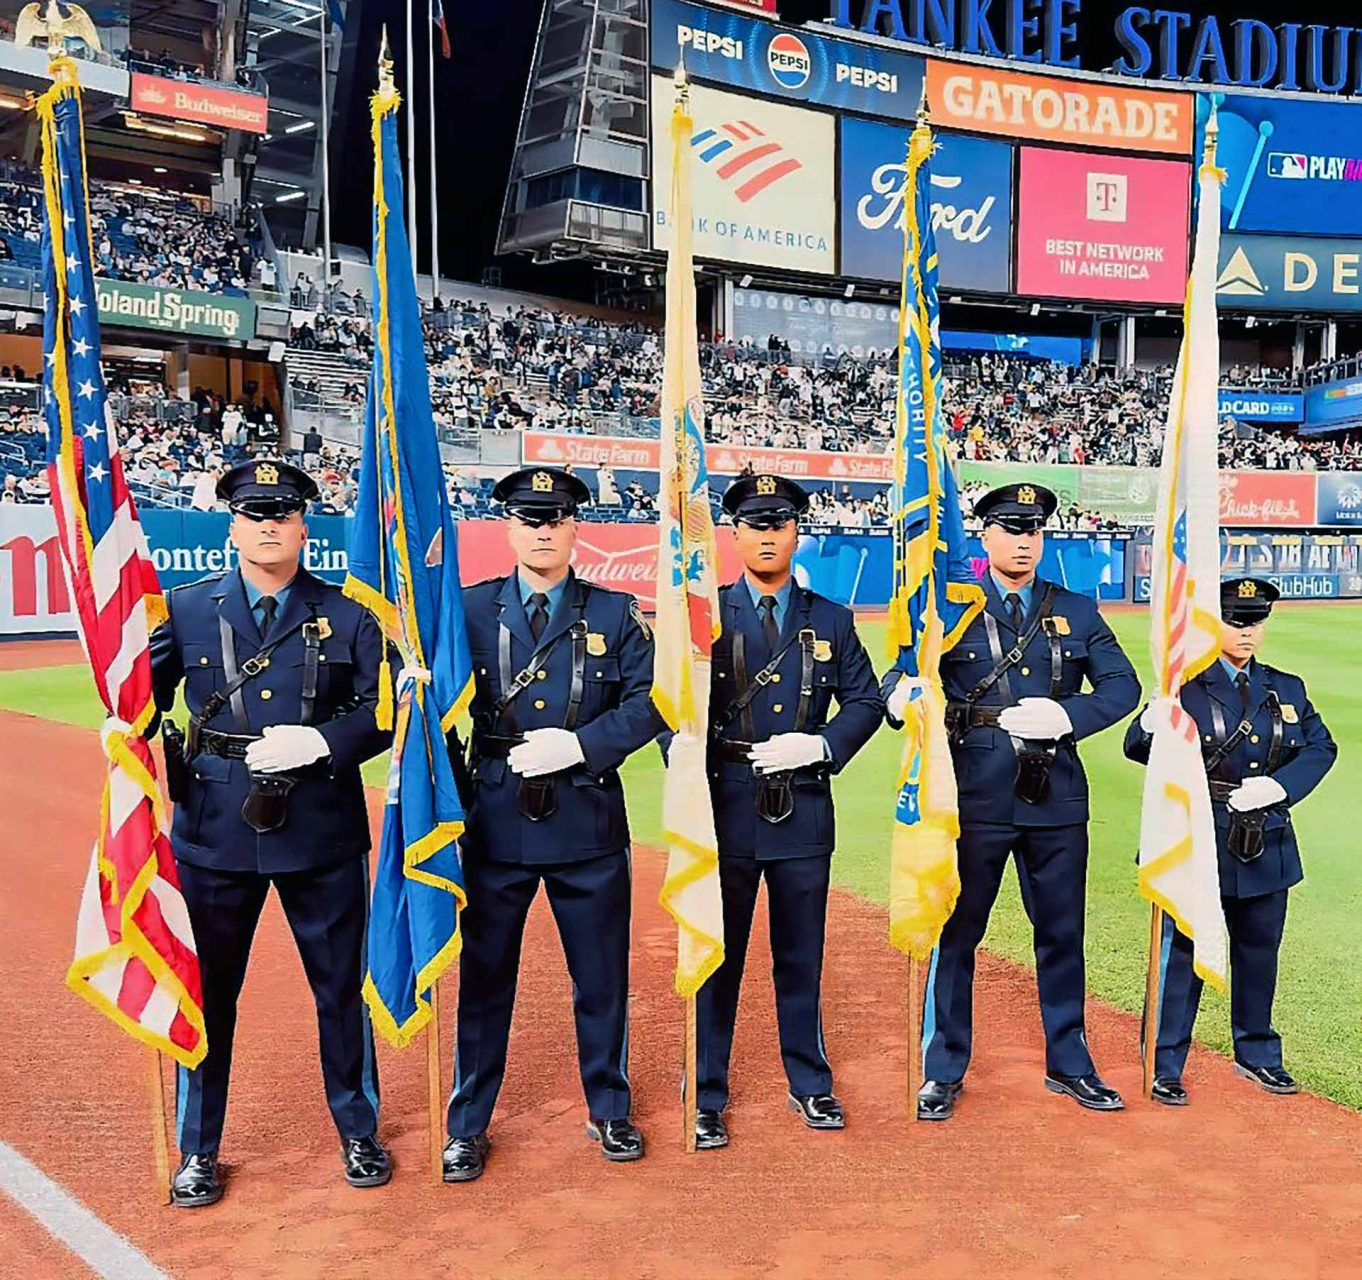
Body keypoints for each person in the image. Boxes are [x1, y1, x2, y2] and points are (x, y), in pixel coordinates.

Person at [149, 459, 393, 1207]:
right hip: (215, 827)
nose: (267, 526)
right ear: (231, 525)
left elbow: (382, 713)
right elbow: (142, 697)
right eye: (253, 514)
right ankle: (198, 1147)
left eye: (282, 513)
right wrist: (118, 724)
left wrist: (321, 741)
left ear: (303, 526)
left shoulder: (349, 613)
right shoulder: (184, 608)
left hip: (319, 823)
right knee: (206, 996)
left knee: (341, 990)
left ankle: (358, 1129)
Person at [888, 483, 1140, 1120]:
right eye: (1011, 528)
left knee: (1061, 933)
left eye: (1034, 529)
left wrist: (1067, 715)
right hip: (974, 792)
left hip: (1056, 794)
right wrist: (902, 694)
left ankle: (1070, 1062)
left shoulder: (1075, 609)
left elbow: (1122, 685)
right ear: (985, 536)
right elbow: (900, 671)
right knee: (957, 930)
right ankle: (942, 1067)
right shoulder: (950, 606)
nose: (1024, 541)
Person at [442, 466, 661, 1182]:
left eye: (556, 518)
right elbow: (436, 708)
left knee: (600, 977)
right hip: (494, 817)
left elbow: (652, 701)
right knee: (485, 980)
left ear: (575, 528)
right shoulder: (467, 611)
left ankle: (609, 1107)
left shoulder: (615, 614)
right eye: (529, 518)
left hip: (585, 814)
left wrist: (583, 745)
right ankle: (467, 1124)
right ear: (508, 527)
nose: (542, 530)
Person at [692, 475, 883, 1150]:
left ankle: (810, 1081)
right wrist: (686, 773)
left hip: (801, 805)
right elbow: (670, 705)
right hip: (725, 804)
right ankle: (705, 1091)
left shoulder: (831, 619)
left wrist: (823, 744)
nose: (768, 534)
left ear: (797, 531)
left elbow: (866, 701)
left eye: (779, 522)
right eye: (755, 523)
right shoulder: (704, 614)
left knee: (800, 957)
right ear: (734, 533)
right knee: (718, 958)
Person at [1123, 578, 1336, 1104]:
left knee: (1259, 952)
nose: (1246, 631)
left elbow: (1321, 747)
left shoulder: (1286, 687)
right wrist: (1151, 723)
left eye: (1255, 622)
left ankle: (1257, 1053)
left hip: (1265, 835)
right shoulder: (1183, 687)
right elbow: (1137, 747)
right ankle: (1163, 1061)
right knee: (1181, 957)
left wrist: (1279, 787)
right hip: (1197, 836)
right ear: (1209, 622)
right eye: (1235, 621)